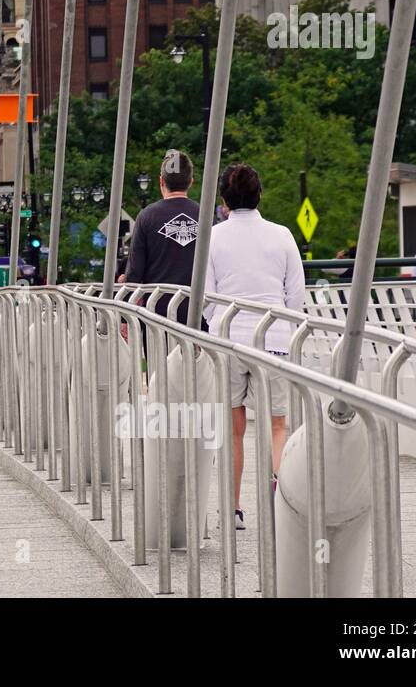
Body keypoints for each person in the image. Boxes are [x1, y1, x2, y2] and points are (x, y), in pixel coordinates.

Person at [203, 163, 305, 530]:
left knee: (233, 428)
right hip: (274, 337)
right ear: (259, 194)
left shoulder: (212, 238)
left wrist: (220, 320)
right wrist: (285, 327)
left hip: (228, 337)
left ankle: (232, 509)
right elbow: (296, 294)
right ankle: (281, 499)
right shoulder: (282, 235)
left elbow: (206, 295)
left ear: (224, 201)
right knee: (278, 425)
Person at [120, 150, 202, 326]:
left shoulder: (147, 216)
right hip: (197, 313)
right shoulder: (205, 216)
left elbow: (135, 271)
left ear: (161, 181)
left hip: (156, 314)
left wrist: (123, 314)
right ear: (190, 182)